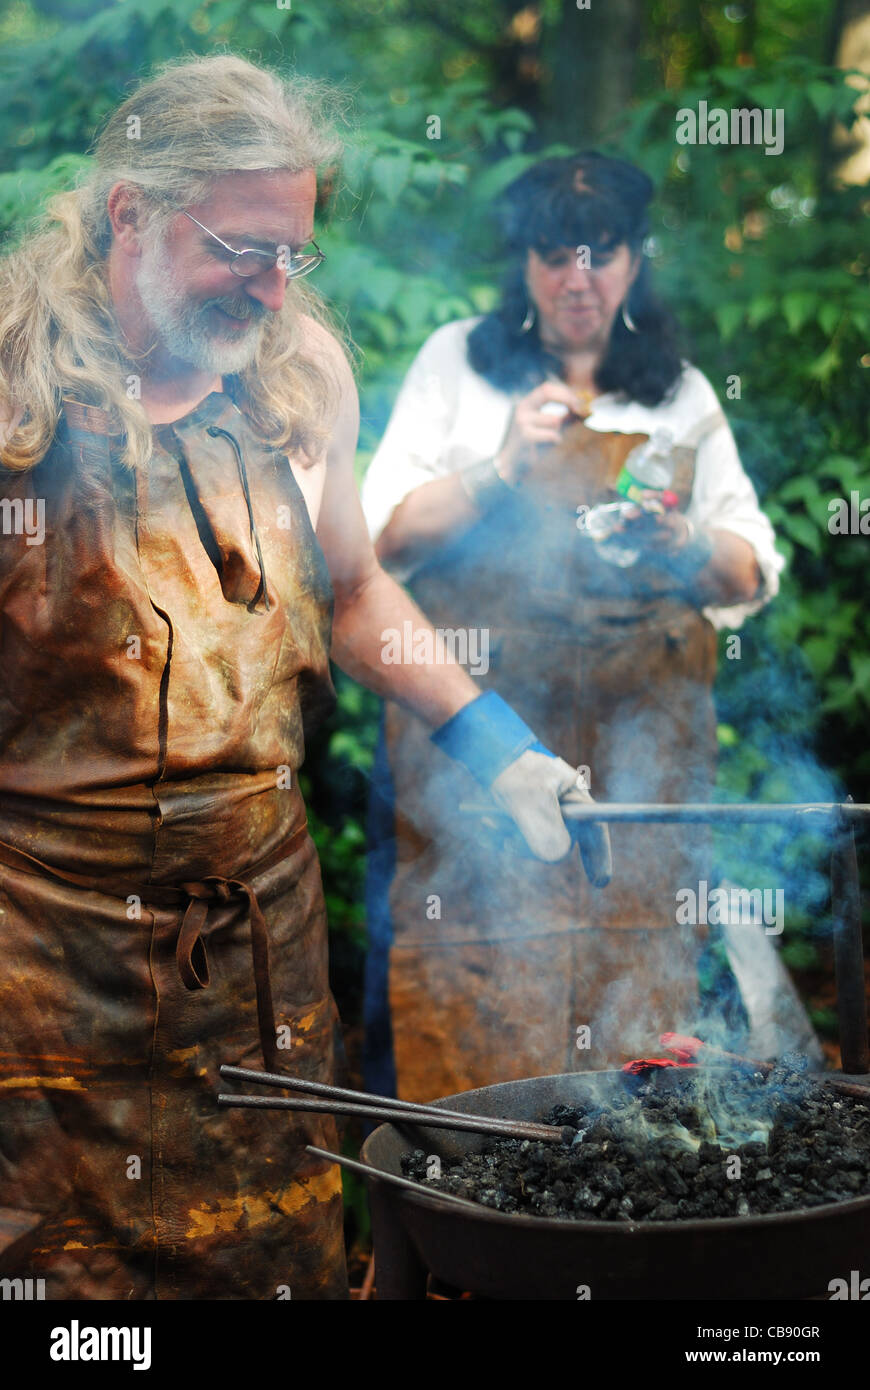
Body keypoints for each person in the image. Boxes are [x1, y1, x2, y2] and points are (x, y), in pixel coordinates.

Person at [0, 60, 609, 1300]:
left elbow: (359, 591)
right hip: (47, 960)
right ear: (129, 212)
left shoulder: (298, 378)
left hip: (261, 946)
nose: (274, 289)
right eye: (241, 250)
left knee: (273, 1261)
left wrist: (500, 743)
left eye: (296, 255)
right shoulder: (14, 391)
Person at [361, 152, 784, 1103]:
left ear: (637, 260)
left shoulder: (678, 394)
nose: (577, 278)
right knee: (471, 981)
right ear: (526, 262)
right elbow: (380, 539)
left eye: (601, 254)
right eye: (555, 254)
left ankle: (628, 1223)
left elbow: (750, 567)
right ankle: (455, 1217)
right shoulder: (457, 367)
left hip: (647, 770)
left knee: (637, 1003)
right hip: (479, 761)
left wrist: (680, 539)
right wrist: (503, 466)